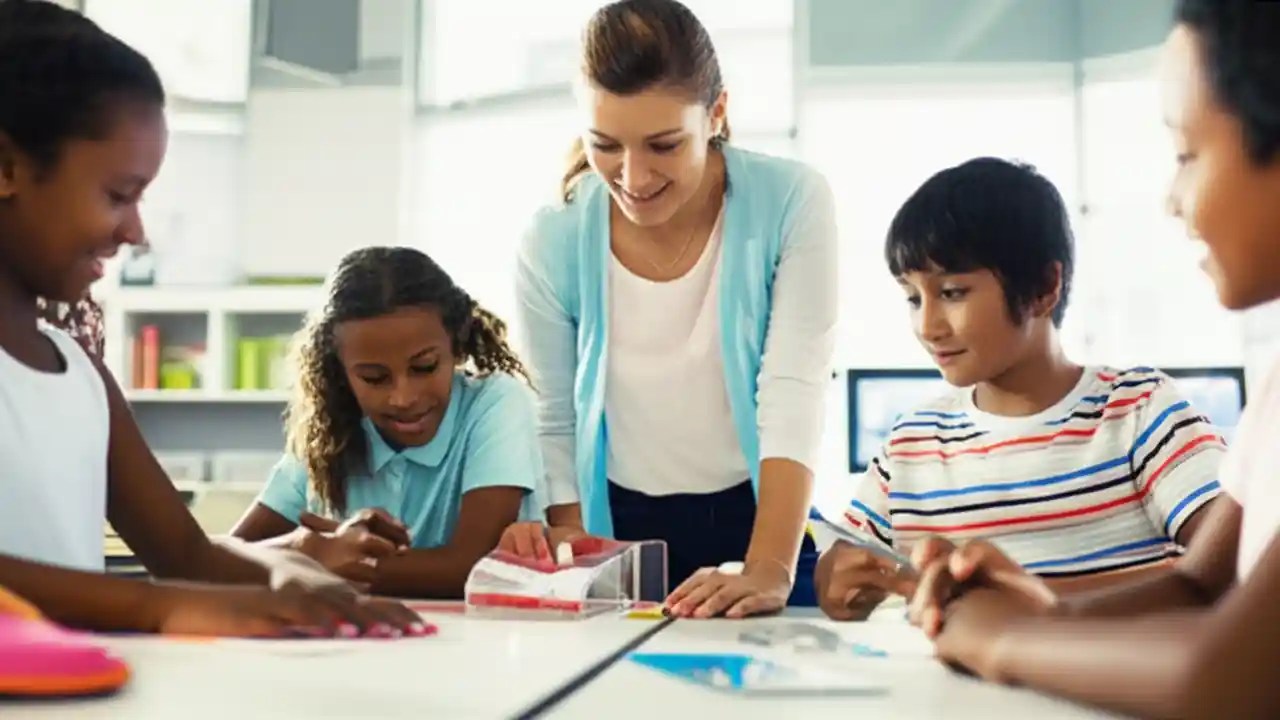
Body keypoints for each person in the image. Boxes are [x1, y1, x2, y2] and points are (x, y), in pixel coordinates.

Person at [0, 0, 420, 637]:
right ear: (6, 168)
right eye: (118, 195)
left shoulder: (79, 375)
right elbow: (167, 589)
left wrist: (302, 584)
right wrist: (160, 607)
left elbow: (187, 556)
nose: (136, 231)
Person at [906, 2, 1280, 718]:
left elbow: (1231, 676)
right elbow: (1203, 584)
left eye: (1186, 154)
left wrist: (1003, 640)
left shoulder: (1141, 408)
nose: (1172, 200)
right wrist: (1041, 611)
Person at [501, 0, 838, 618]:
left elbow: (794, 390)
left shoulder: (791, 200)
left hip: (764, 516)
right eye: (605, 145)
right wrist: (577, 544)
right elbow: (554, 417)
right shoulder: (552, 236)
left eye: (663, 145)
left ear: (717, 113)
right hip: (621, 524)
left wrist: (768, 567)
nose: (632, 176)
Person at [814, 158, 1226, 621]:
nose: (926, 326)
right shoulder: (911, 442)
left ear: (1044, 288)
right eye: (913, 298)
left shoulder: (1140, 412)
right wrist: (840, 578)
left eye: (952, 293)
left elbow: (1229, 568)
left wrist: (1016, 597)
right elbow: (840, 565)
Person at [231, 247, 545, 599]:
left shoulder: (494, 403)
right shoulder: (329, 431)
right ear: (341, 373)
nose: (403, 397)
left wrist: (318, 564)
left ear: (456, 345)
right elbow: (224, 559)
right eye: (373, 378)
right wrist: (303, 550)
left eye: (424, 367)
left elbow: (472, 568)